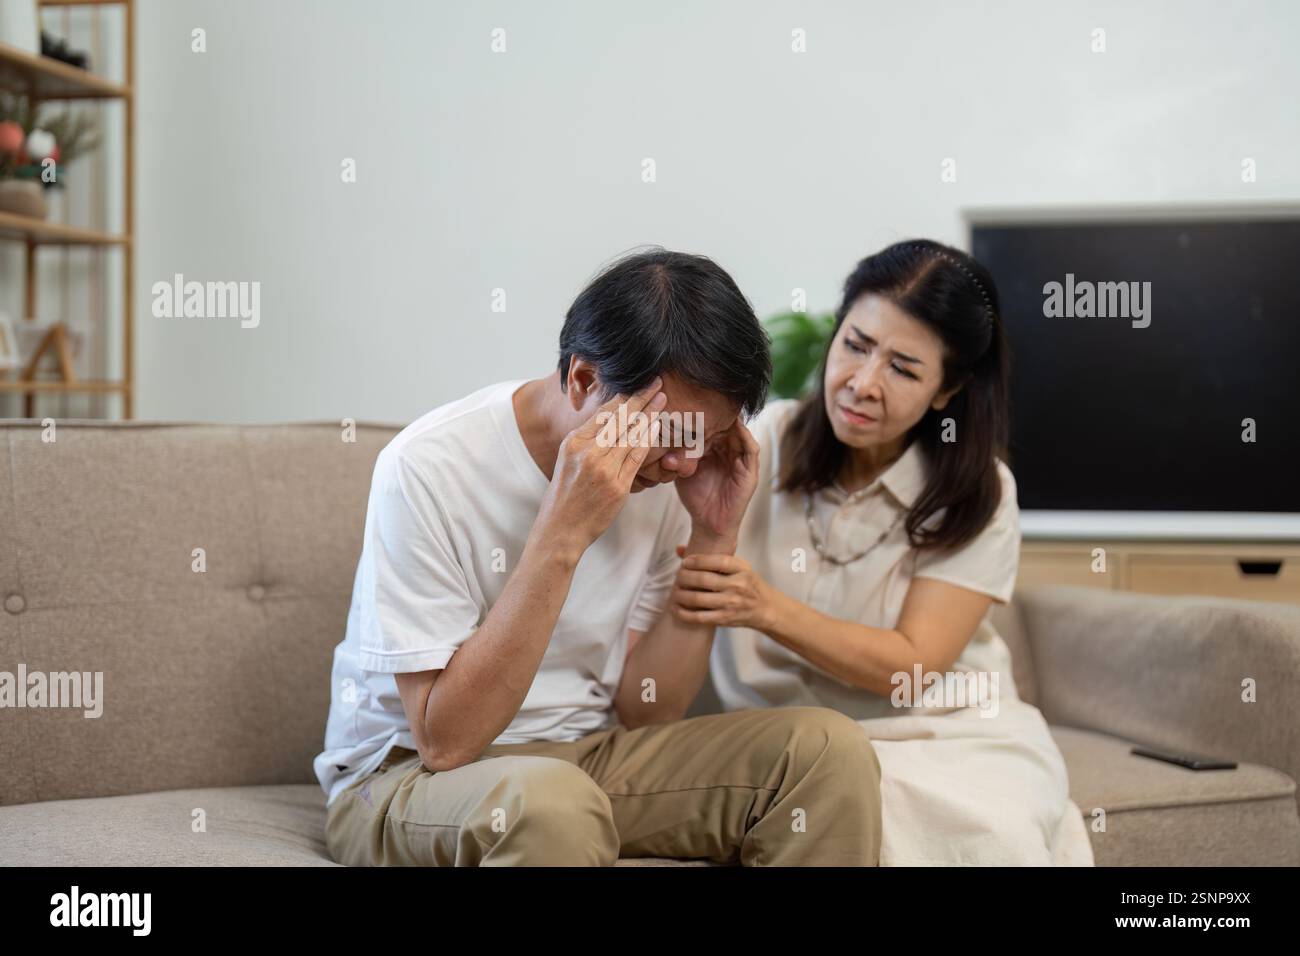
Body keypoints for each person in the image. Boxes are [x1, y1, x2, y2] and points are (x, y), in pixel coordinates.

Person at [314, 248, 884, 866]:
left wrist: (713, 535)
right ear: (585, 380)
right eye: (670, 437)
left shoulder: (668, 478)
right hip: (407, 780)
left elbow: (650, 710)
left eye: (708, 439)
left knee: (828, 749)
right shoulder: (427, 466)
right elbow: (446, 743)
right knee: (552, 804)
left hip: (584, 759)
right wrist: (562, 533)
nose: (685, 465)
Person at [673, 239, 1094, 865]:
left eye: (903, 369)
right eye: (856, 345)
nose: (863, 385)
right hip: (792, 738)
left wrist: (762, 607)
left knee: (981, 835)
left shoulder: (980, 492)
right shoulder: (764, 442)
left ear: (948, 391)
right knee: (834, 804)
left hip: (945, 732)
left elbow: (914, 669)